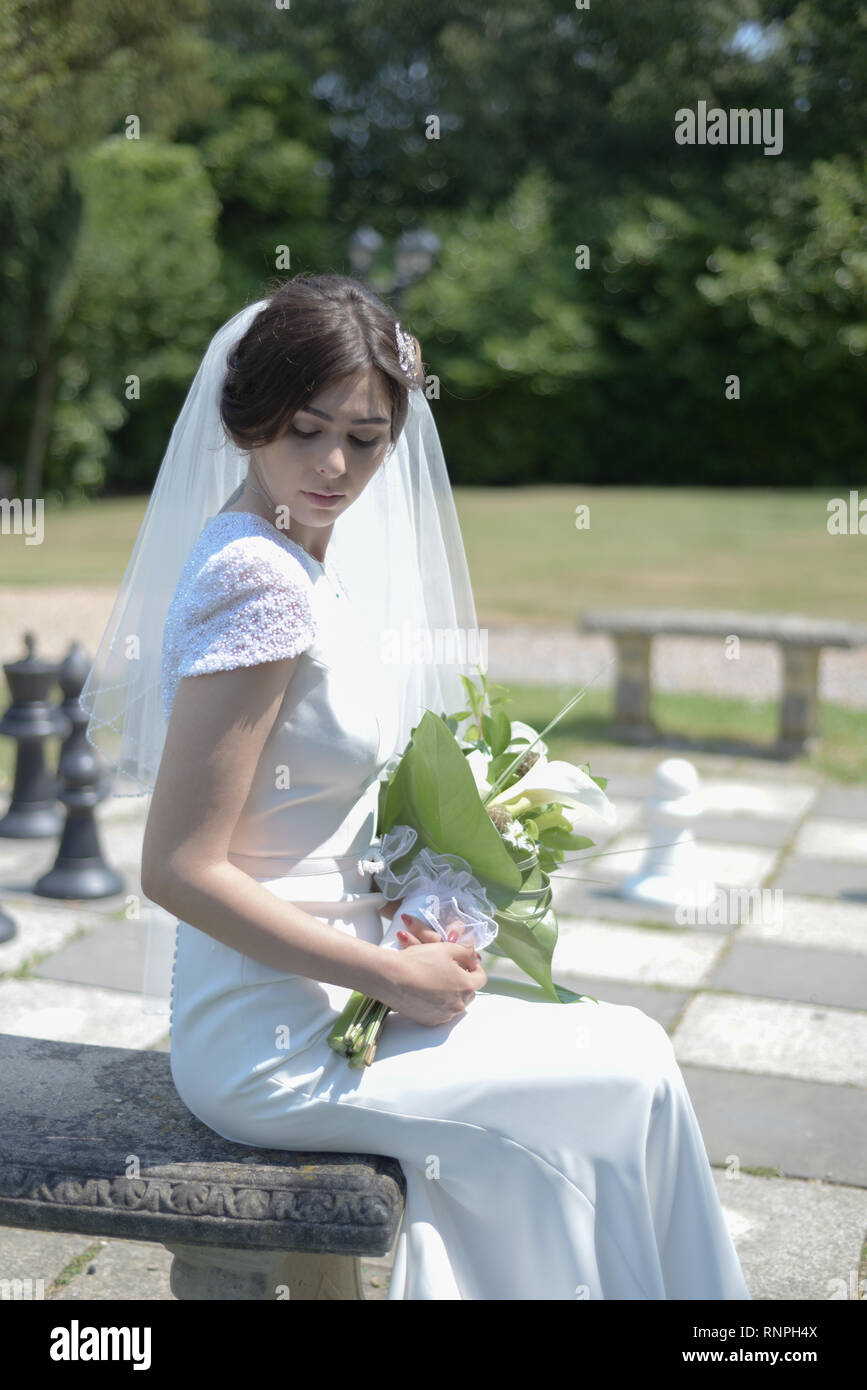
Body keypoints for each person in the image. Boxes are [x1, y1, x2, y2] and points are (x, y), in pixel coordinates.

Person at [81, 272, 751, 1301]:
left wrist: (418, 913)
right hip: (272, 1040)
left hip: (342, 990)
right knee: (623, 1076)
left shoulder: (302, 557)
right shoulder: (257, 578)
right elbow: (176, 868)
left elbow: (309, 820)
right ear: (247, 414)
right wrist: (391, 978)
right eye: (307, 428)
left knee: (635, 1059)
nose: (337, 464)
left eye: (367, 434)